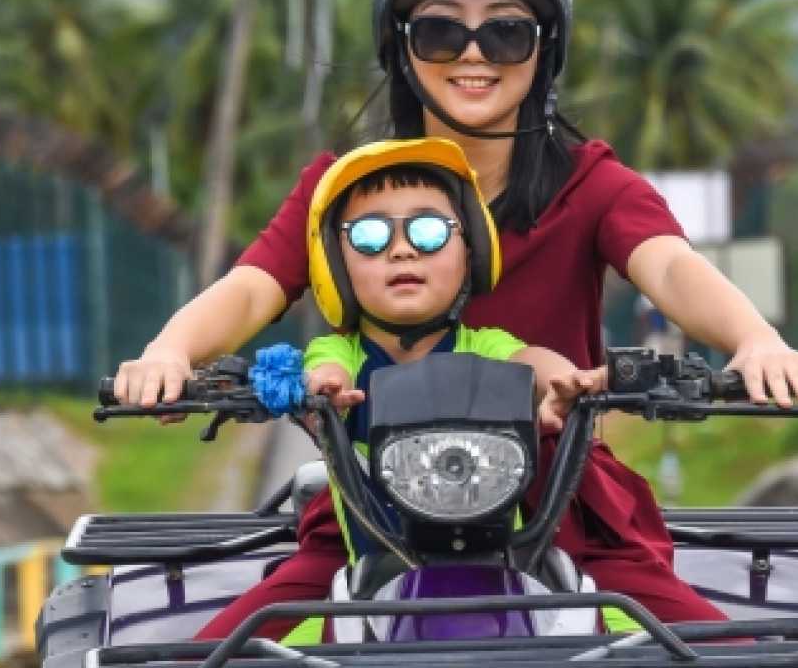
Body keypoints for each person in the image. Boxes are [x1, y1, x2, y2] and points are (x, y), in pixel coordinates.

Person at [116, 0, 798, 633]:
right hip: (376, 501)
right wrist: (170, 351)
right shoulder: (345, 189)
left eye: (507, 33)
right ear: (401, 46)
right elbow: (249, 287)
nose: (473, 55)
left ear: (545, 47)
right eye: (439, 30)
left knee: (719, 665)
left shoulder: (590, 183)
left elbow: (674, 268)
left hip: (555, 496)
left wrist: (754, 340)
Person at [193, 138, 610, 639]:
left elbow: (533, 362)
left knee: (642, 648)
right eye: (370, 235)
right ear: (334, 262)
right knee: (213, 663)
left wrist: (572, 380)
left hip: (506, 573)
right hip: (364, 570)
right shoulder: (340, 353)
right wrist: (320, 391)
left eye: (429, 230)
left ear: (470, 246)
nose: (402, 248)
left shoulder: (486, 347)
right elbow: (327, 374)